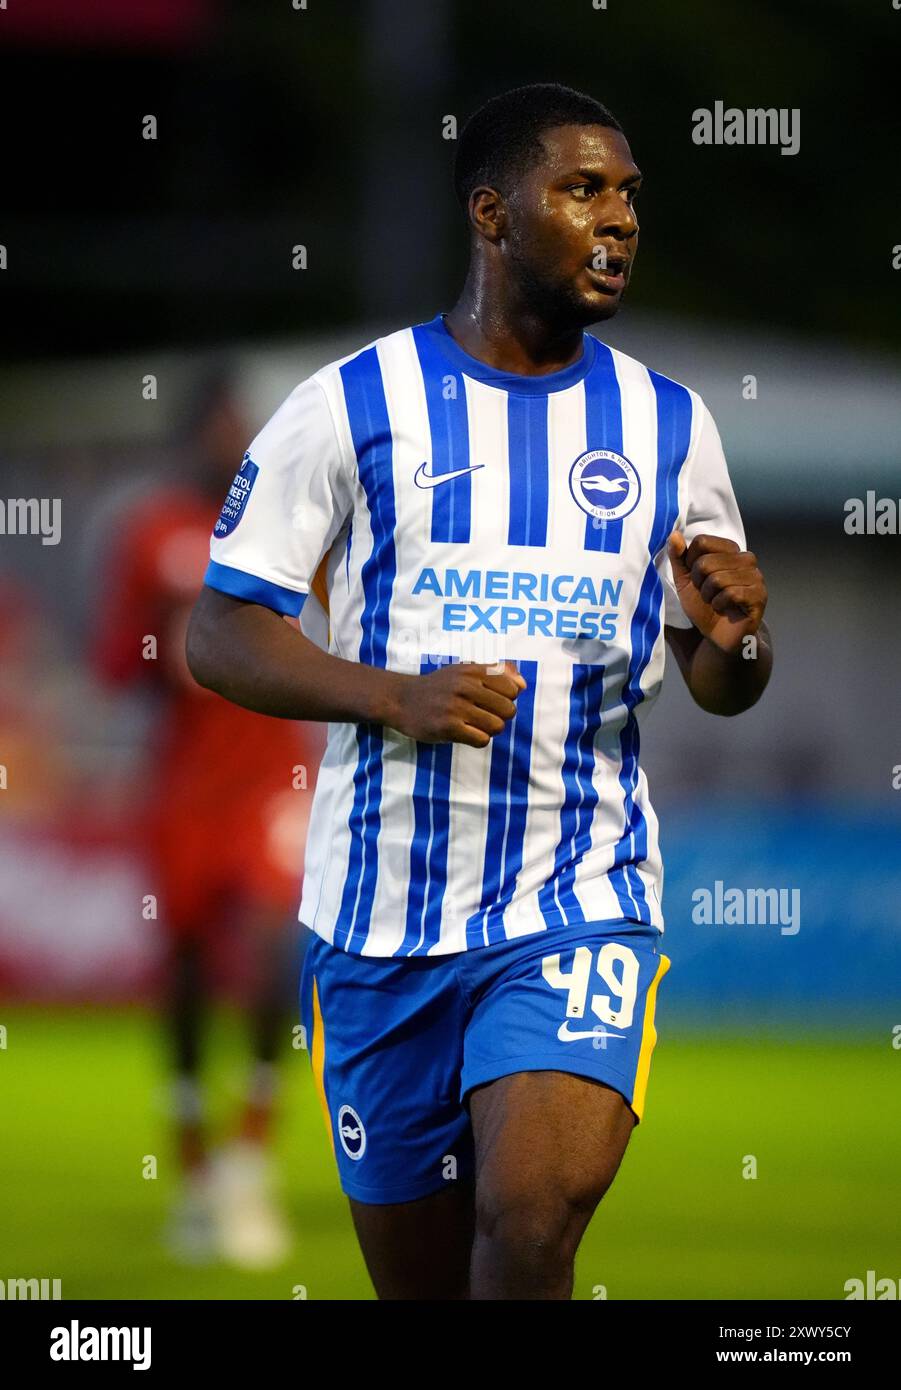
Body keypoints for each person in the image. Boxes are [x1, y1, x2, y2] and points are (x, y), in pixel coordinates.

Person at [185, 83, 772, 1299]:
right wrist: (392, 695)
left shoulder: (668, 424)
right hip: (378, 924)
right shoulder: (350, 404)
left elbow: (722, 682)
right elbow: (221, 629)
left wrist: (738, 638)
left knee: (530, 1218)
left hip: (577, 898)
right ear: (493, 215)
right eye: (582, 190)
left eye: (628, 195)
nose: (618, 219)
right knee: (428, 1280)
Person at [92, 370, 326, 1267]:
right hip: (183, 787)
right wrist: (163, 648)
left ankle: (250, 1159)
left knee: (274, 953)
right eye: (220, 423)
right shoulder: (150, 533)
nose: (233, 439)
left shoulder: (283, 525)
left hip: (270, 777)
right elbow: (115, 661)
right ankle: (194, 1165)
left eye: (244, 425)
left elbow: (325, 629)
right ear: (194, 433)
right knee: (186, 968)